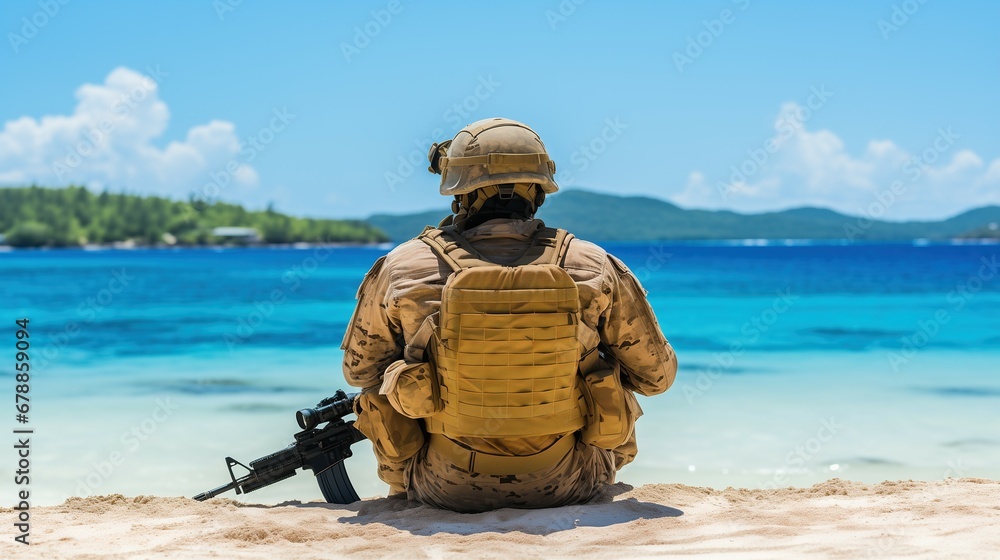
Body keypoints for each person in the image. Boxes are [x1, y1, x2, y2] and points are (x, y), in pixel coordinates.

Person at [342, 117, 676, 513]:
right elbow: (655, 377)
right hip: (573, 480)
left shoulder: (403, 266)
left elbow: (359, 373)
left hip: (440, 486)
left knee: (382, 384)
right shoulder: (593, 263)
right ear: (539, 189)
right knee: (608, 372)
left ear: (459, 191)